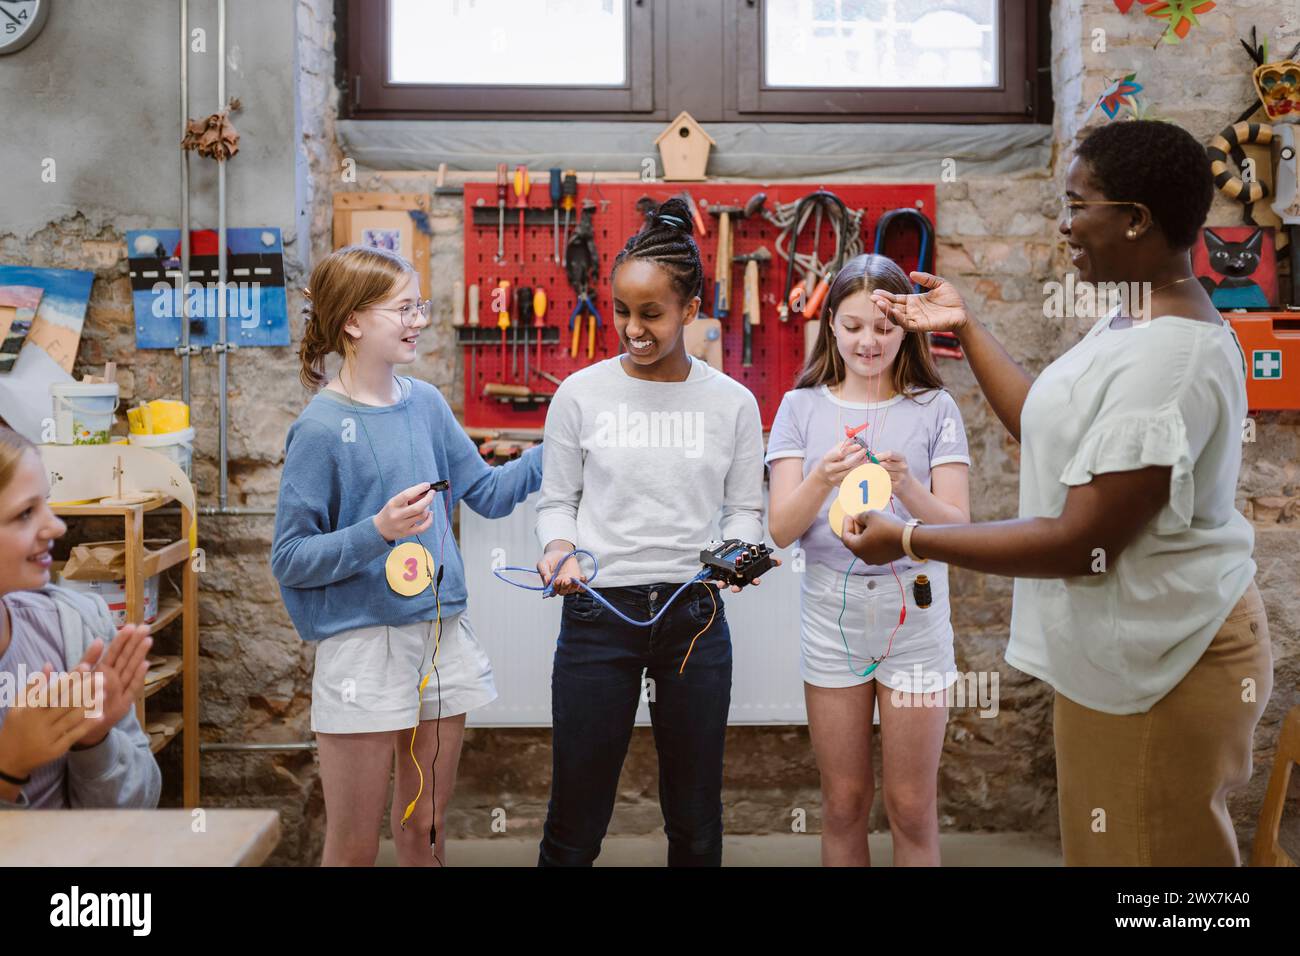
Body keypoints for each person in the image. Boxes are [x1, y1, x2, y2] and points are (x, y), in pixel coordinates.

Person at [847, 120, 1272, 866]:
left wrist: (907, 538)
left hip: (1167, 661)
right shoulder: (1137, 315)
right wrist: (964, 327)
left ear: (1136, 218)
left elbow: (1083, 542)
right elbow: (1050, 424)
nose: (1065, 224)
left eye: (1078, 205)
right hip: (1128, 651)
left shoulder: (1167, 362)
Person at [271, 245, 542, 865]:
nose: (419, 319)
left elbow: (491, 495)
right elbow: (289, 557)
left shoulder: (424, 403)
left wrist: (565, 444)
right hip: (362, 647)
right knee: (354, 842)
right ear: (354, 323)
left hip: (440, 634)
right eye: (403, 308)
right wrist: (378, 531)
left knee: (426, 827)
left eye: (418, 304)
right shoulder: (318, 429)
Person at [534, 197, 771, 866]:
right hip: (596, 612)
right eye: (622, 311)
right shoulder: (580, 394)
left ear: (691, 309)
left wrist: (739, 559)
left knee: (695, 818)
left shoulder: (733, 403)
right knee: (576, 817)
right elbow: (558, 501)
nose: (633, 330)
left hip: (692, 614)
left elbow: (744, 514)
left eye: (652, 314)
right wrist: (558, 549)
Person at [767, 253, 970, 866]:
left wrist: (907, 488)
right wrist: (822, 478)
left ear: (906, 328)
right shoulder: (800, 408)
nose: (869, 342)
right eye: (853, 326)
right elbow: (780, 529)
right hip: (832, 612)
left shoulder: (934, 408)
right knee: (844, 802)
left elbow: (958, 529)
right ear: (830, 324)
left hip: (915, 609)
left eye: (884, 328)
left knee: (912, 806)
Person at [0, 425, 159, 810]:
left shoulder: (76, 624)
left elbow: (140, 806)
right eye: (25, 513)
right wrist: (10, 766)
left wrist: (95, 739)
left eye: (47, 505)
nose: (56, 526)